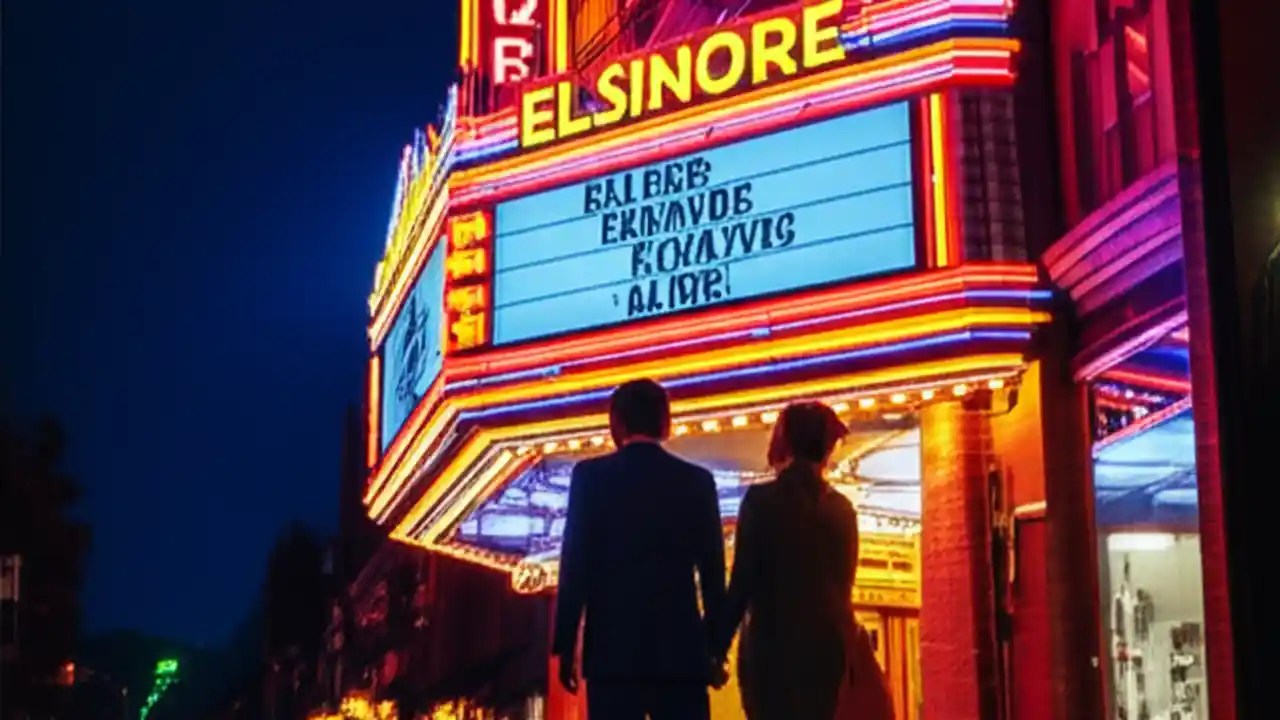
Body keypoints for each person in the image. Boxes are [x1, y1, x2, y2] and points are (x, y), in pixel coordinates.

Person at [553, 378, 728, 720]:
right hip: (680, 652)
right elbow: (712, 573)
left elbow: (575, 566)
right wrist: (715, 648)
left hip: (611, 653)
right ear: (665, 422)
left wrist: (565, 644)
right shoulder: (697, 481)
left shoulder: (590, 477)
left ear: (616, 422)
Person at [713, 401, 860, 720]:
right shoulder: (842, 509)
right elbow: (843, 588)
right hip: (826, 652)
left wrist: (716, 649)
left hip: (772, 650)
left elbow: (742, 586)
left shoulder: (761, 502)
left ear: (785, 441)